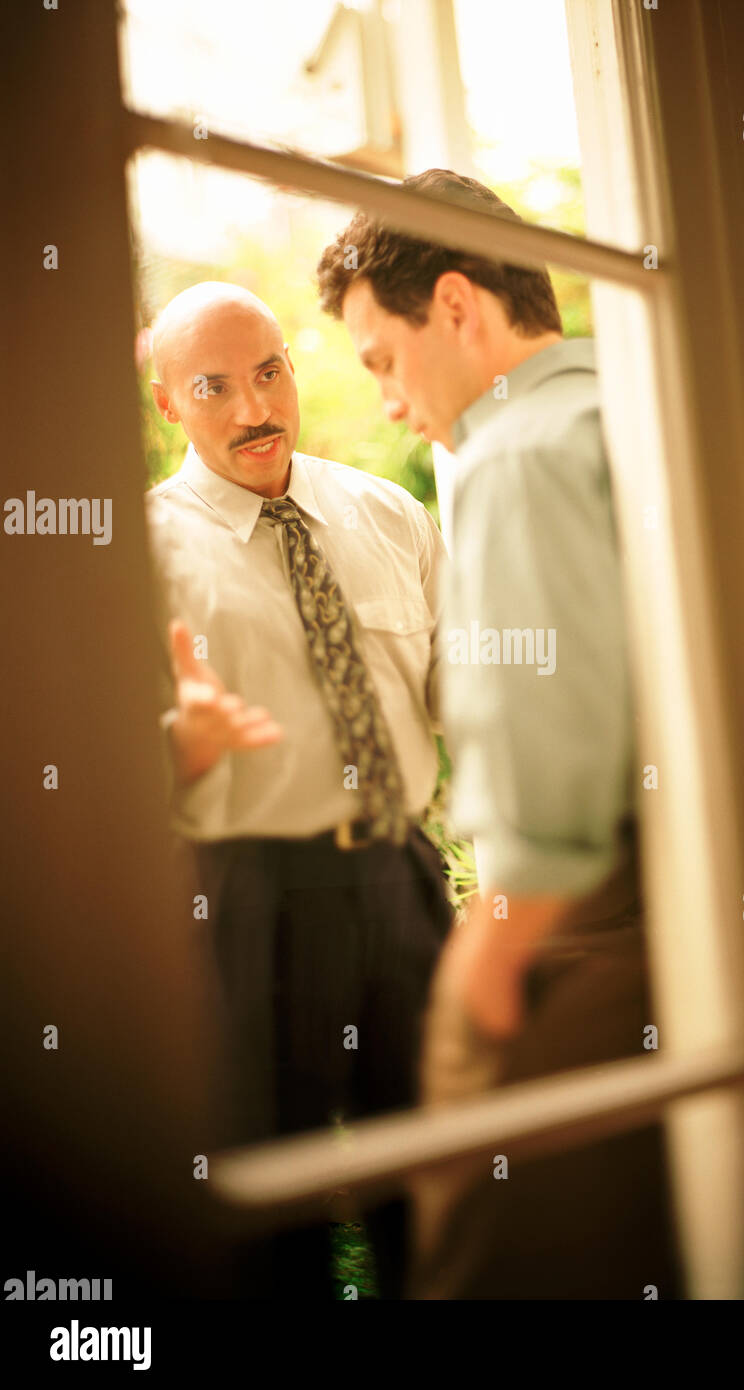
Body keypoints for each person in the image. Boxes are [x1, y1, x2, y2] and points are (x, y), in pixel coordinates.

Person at [316, 171, 682, 1298]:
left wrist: (487, 955)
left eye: (380, 357)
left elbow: (556, 771)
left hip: (569, 939)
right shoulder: (651, 409)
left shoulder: (519, 457)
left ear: (459, 308)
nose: (382, 399)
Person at [145, 281, 453, 1299]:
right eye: (214, 387)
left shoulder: (386, 512)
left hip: (402, 880)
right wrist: (177, 748)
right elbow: (83, 775)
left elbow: (469, 700)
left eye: (269, 371)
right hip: (244, 895)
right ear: (168, 404)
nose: (253, 409)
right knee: (269, 1212)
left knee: (437, 1178)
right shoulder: (136, 555)